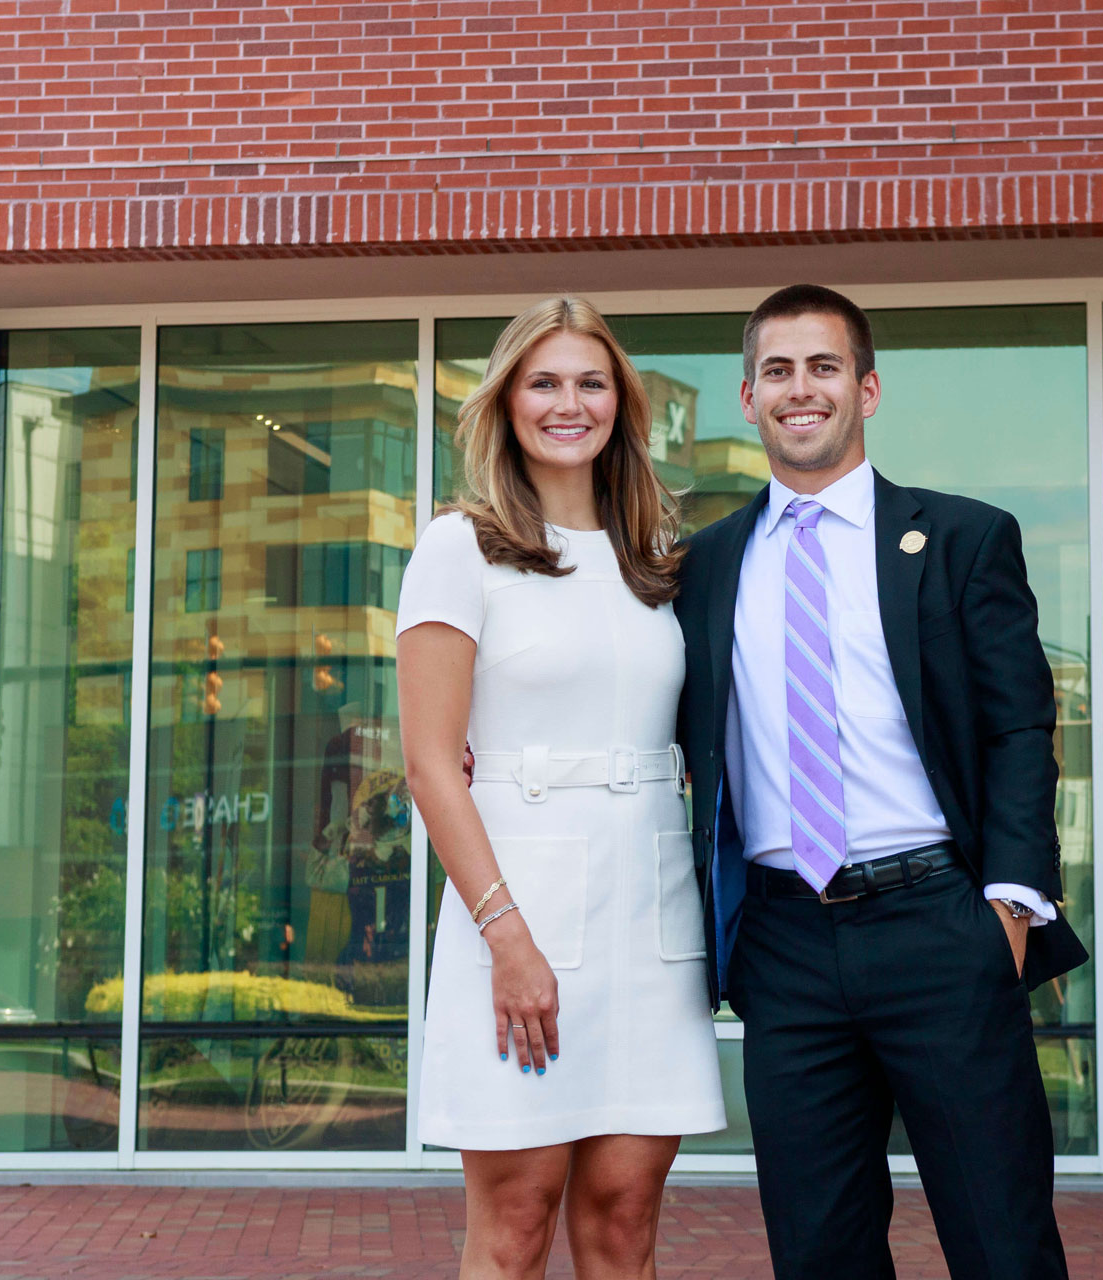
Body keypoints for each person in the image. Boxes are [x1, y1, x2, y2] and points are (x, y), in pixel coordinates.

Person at [674, 284, 1089, 1279]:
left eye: (823, 367)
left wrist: (1010, 904)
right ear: (746, 396)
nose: (800, 389)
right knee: (820, 1251)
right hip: (783, 943)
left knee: (1000, 1240)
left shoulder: (959, 539)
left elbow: (1019, 726)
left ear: (867, 389)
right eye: (778, 370)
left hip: (942, 926)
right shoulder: (704, 565)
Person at [396, 296, 725, 1279]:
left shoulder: (659, 560)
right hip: (520, 919)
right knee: (517, 1220)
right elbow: (428, 761)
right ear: (506, 402)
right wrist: (507, 937)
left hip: (651, 918)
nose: (568, 403)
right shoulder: (461, 546)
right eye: (544, 382)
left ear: (622, 403)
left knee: (626, 1220)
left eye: (591, 382)